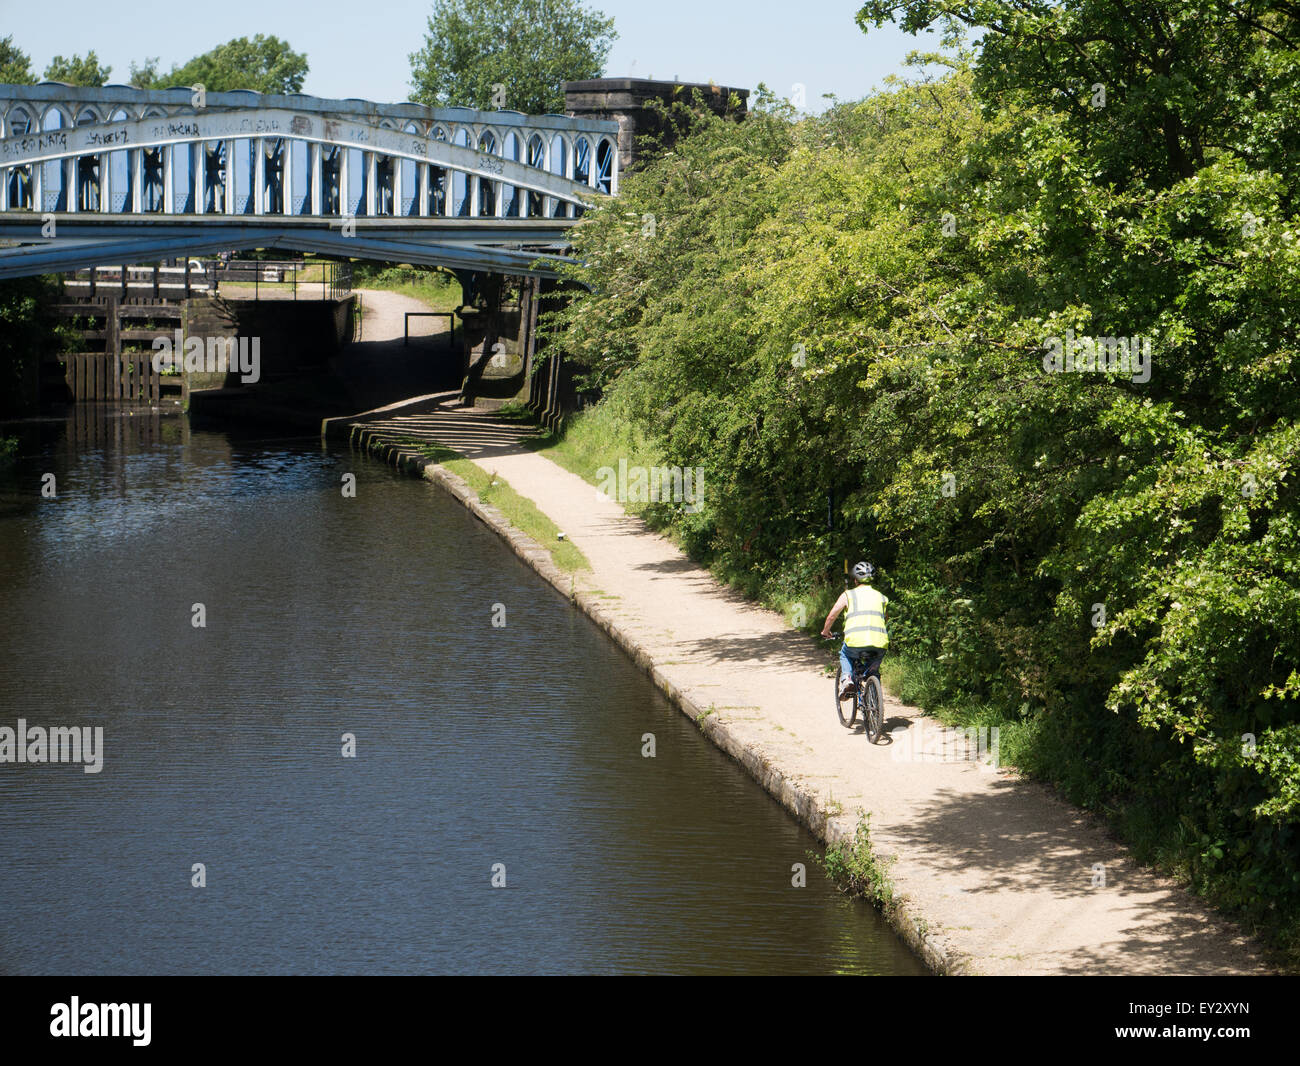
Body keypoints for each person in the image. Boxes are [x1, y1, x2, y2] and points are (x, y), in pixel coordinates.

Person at [821, 561, 889, 700]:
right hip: (880, 644)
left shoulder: (848, 595)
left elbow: (832, 615)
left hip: (854, 643)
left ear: (855, 580)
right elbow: (884, 619)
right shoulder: (882, 597)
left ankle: (847, 679)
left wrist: (825, 631)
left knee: (844, 654)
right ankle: (873, 697)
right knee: (872, 671)